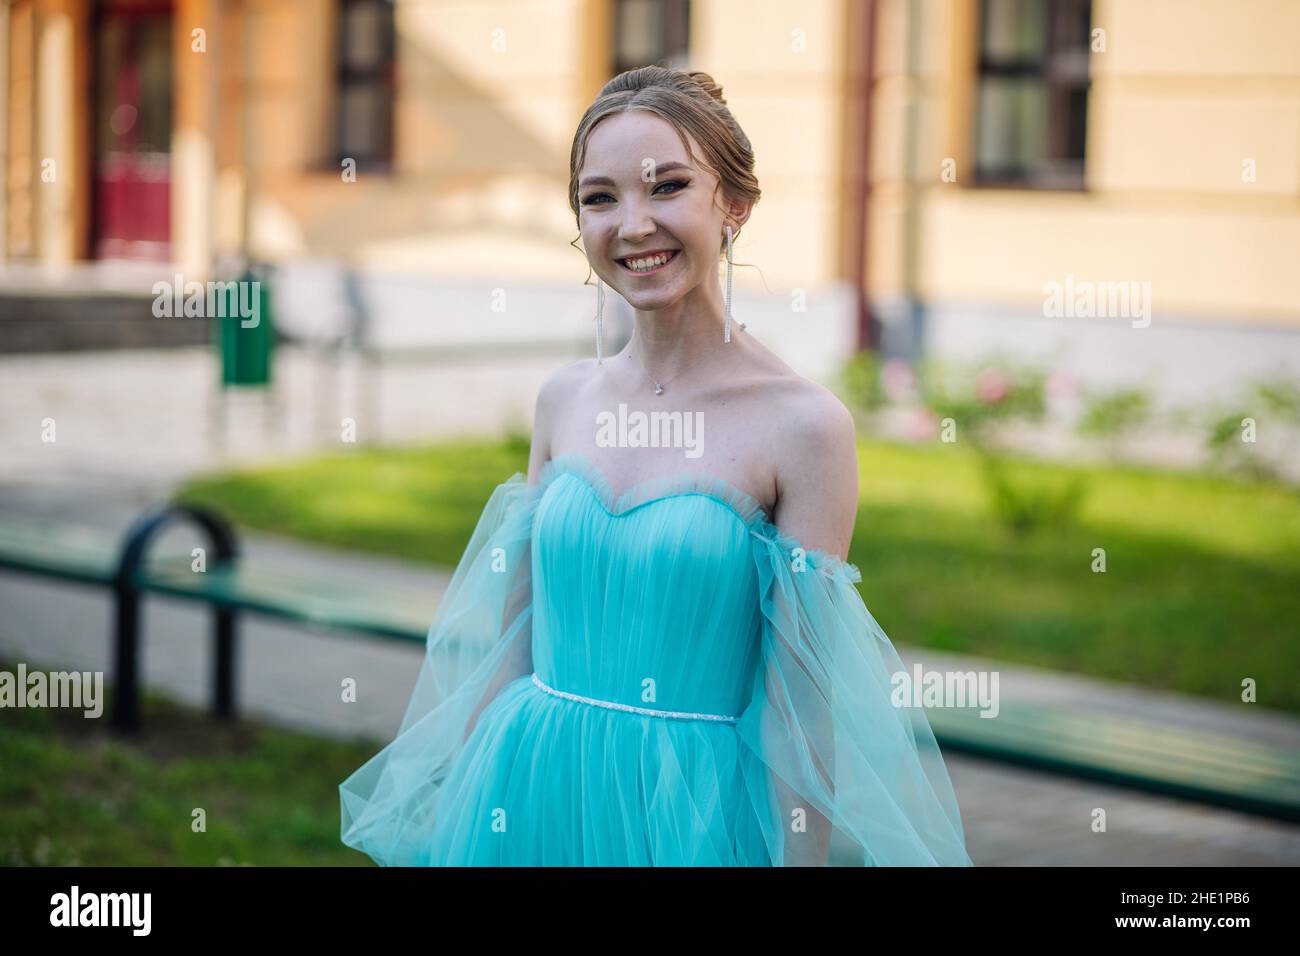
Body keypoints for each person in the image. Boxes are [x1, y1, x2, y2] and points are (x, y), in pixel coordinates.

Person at [339, 66, 973, 866]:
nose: (633, 225)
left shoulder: (804, 426)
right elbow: (510, 643)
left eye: (666, 187)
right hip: (527, 790)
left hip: (693, 818)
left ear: (733, 205)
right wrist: (468, 805)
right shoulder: (563, 400)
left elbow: (803, 703)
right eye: (599, 198)